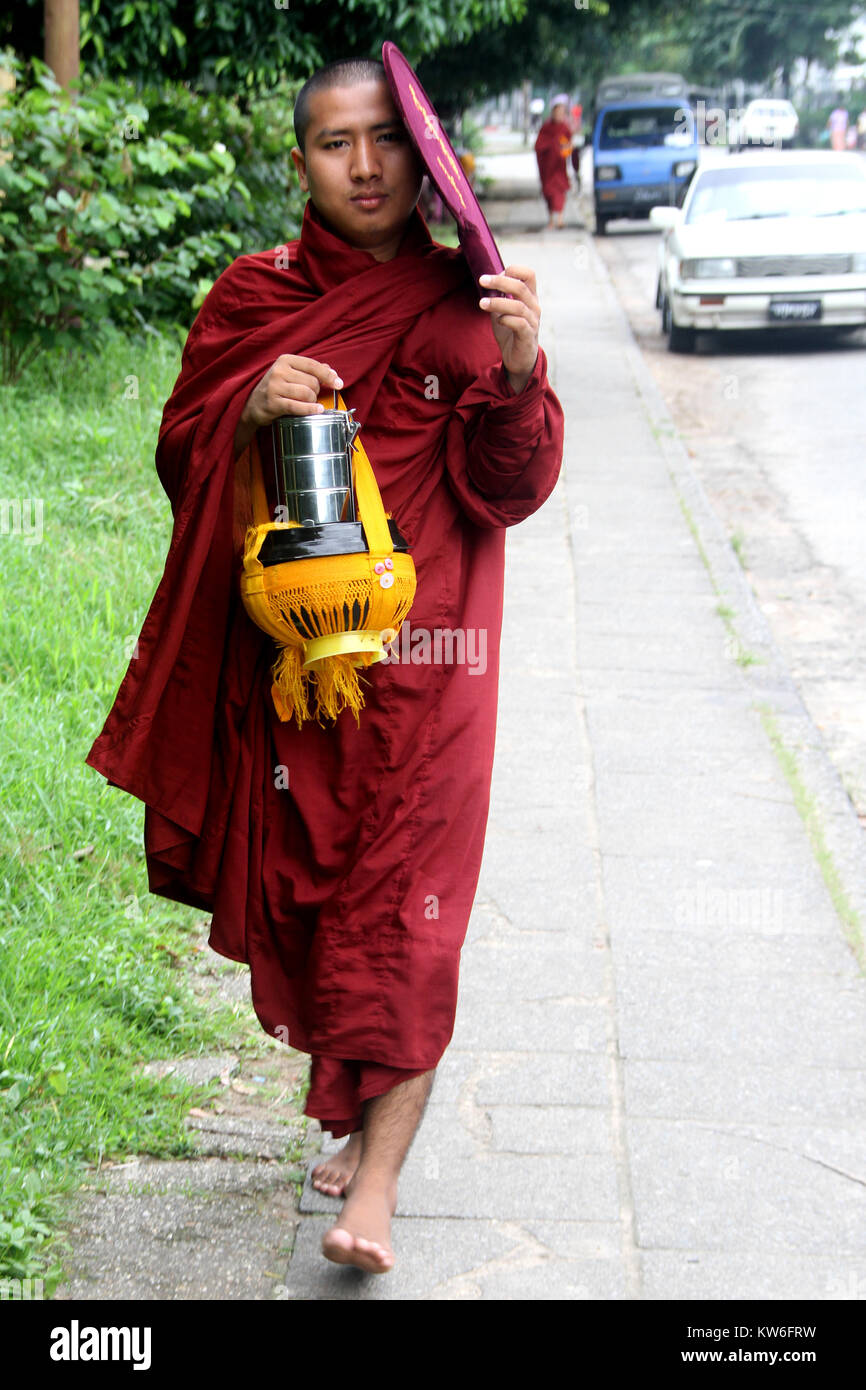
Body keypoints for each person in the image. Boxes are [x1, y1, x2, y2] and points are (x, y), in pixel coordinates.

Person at [85, 56, 564, 1276]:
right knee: (310, 902)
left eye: (382, 142)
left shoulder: (469, 306)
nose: (362, 167)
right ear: (298, 162)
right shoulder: (255, 296)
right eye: (332, 144)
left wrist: (517, 380)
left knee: (413, 919)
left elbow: (509, 488)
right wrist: (249, 402)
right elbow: (178, 446)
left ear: (419, 155)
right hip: (295, 677)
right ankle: (353, 1121)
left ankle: (381, 1188)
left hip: (429, 676)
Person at [534, 94, 573, 228]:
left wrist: (564, 148)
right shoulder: (546, 128)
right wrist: (551, 144)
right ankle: (551, 220)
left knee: (560, 192)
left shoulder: (565, 128)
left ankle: (560, 219)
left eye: (562, 112)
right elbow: (538, 145)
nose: (559, 115)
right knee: (549, 194)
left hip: (559, 168)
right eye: (557, 112)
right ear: (553, 113)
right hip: (547, 168)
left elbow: (568, 146)